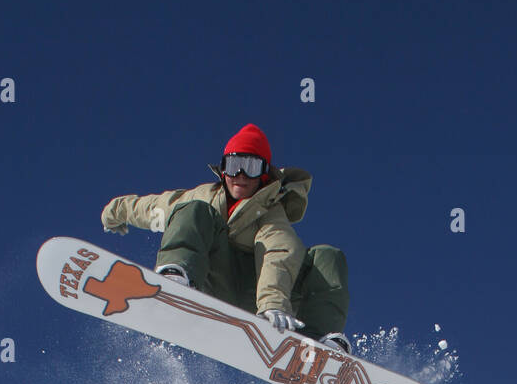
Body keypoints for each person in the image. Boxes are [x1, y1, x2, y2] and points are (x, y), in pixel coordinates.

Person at [100, 123, 351, 353]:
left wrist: (273, 303)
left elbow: (278, 251)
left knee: (327, 256)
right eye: (234, 165)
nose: (240, 175)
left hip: (261, 298)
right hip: (215, 281)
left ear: (263, 174)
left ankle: (317, 343)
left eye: (250, 167)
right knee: (194, 211)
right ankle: (177, 279)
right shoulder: (202, 197)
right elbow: (152, 207)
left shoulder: (271, 211)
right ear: (222, 170)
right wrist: (114, 212)